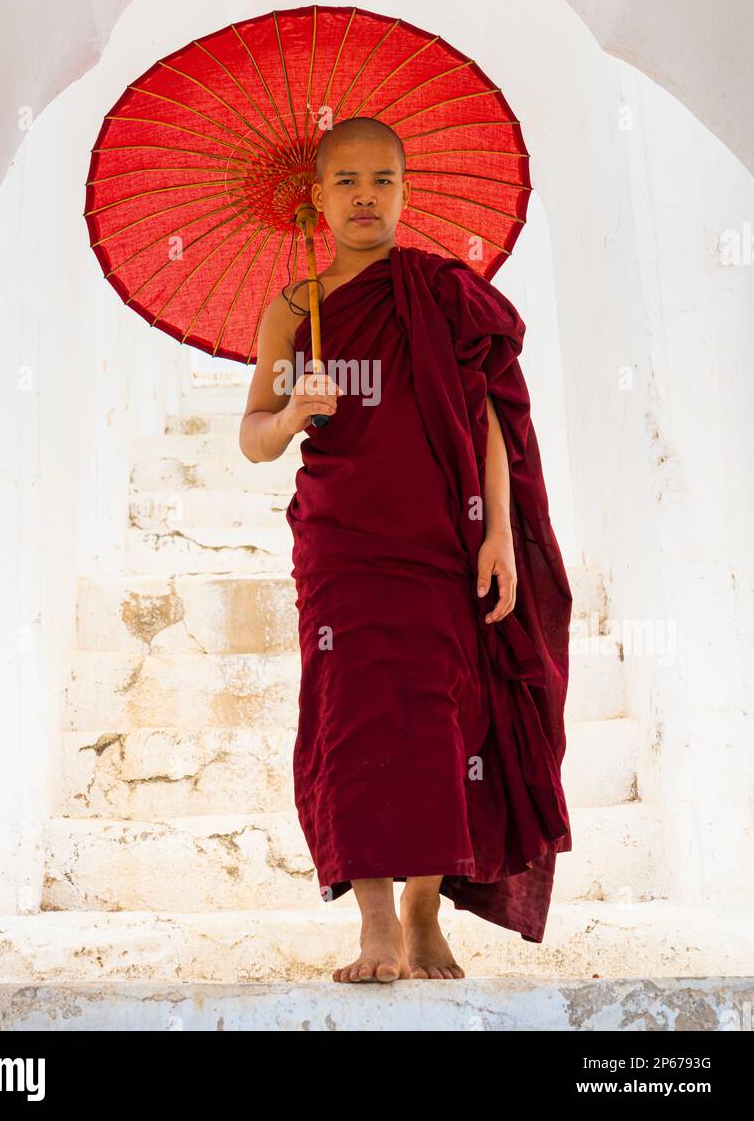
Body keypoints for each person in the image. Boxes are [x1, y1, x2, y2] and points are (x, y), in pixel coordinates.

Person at [239, 116, 572, 983]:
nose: (364, 196)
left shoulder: (446, 295)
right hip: (343, 548)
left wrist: (498, 531)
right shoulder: (292, 311)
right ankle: (375, 927)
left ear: (404, 191)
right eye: (345, 180)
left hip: (443, 543)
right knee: (354, 725)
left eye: (382, 179)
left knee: (439, 723)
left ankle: (426, 917)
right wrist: (291, 412)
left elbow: (492, 422)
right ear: (314, 197)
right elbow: (251, 438)